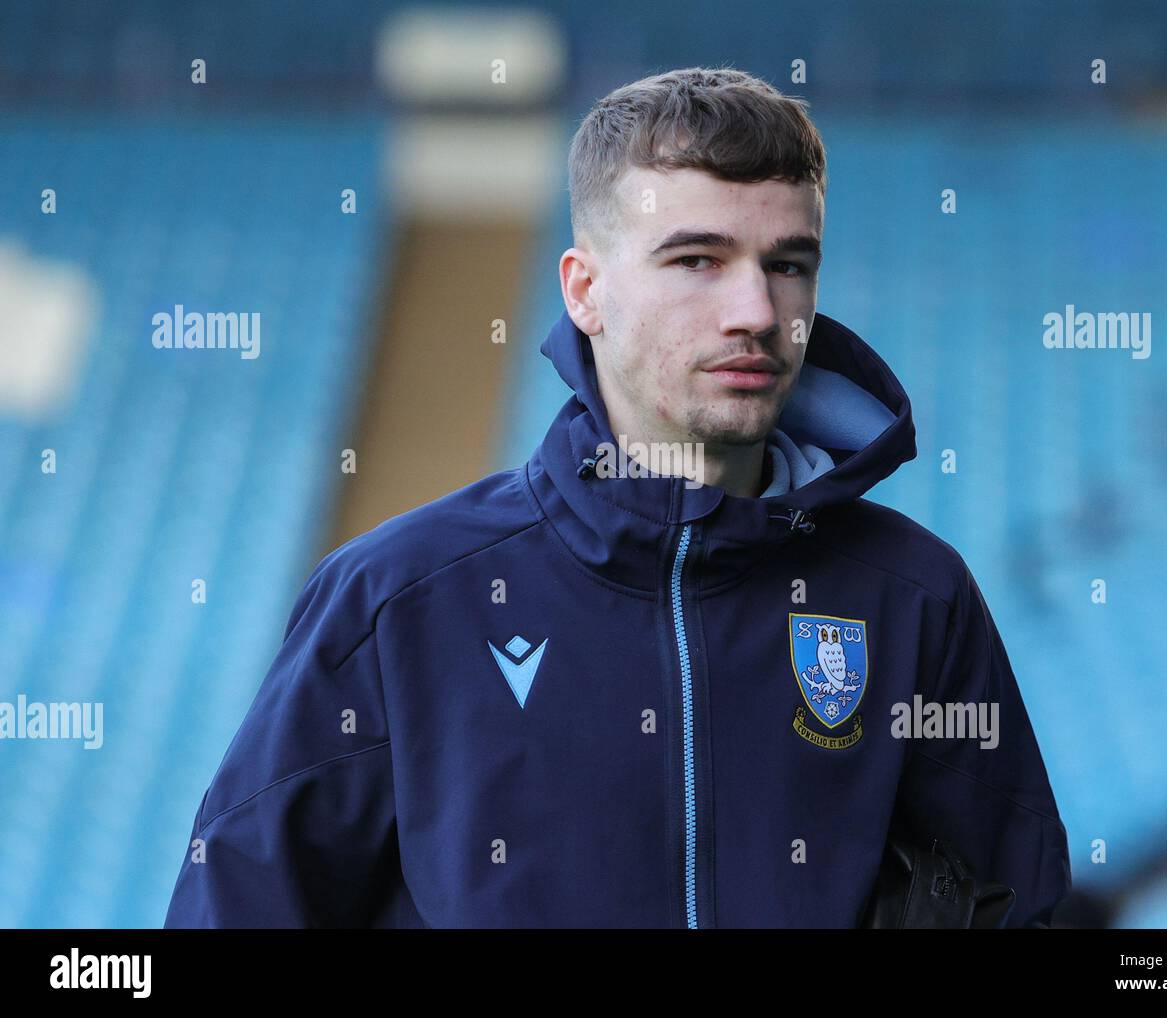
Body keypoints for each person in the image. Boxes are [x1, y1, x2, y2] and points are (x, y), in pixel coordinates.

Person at [164, 66, 1071, 929]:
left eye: (788, 264)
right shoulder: (396, 599)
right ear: (585, 290)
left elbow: (1018, 906)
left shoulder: (915, 598)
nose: (756, 310)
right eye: (697, 261)